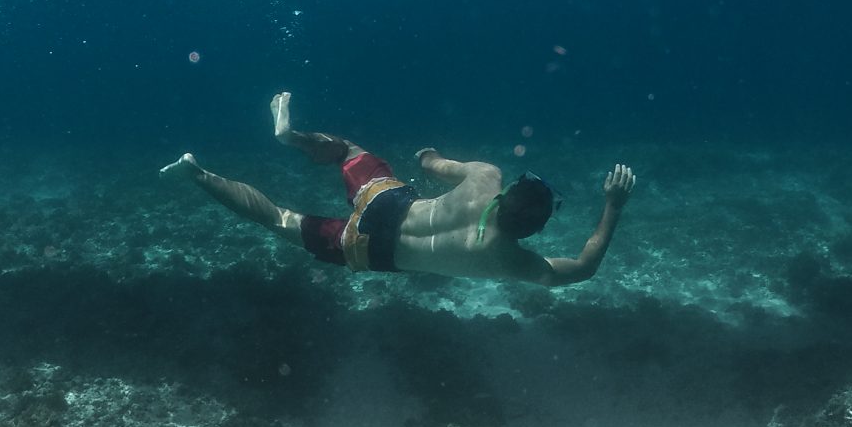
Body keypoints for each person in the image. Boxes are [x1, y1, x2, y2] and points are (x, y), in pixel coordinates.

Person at [161, 93, 635, 287]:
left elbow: (432, 162)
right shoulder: (514, 261)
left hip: (388, 203)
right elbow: (586, 267)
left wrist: (427, 157)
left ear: (507, 191)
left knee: (347, 148)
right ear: (534, 229)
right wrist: (613, 204)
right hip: (369, 251)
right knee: (277, 219)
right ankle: (196, 174)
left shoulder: (485, 178)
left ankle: (290, 137)